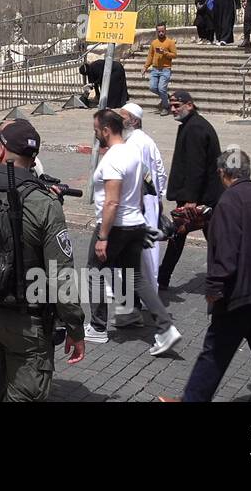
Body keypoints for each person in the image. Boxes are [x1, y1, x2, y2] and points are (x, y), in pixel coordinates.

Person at [0, 119, 86, 401]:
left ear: (0, 151)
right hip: (26, 322)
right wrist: (74, 326)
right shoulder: (43, 204)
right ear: (34, 158)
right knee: (23, 395)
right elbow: (61, 276)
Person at [177, 147, 251, 403]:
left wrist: (214, 289)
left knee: (214, 353)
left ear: (223, 173)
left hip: (238, 294)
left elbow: (225, 252)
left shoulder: (228, 201)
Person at [84, 109, 180, 354]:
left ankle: (96, 326)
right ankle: (165, 327)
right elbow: (139, 189)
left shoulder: (114, 158)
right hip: (135, 223)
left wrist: (103, 237)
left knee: (95, 271)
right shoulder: (133, 151)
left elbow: (112, 202)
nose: (95, 135)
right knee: (135, 277)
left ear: (106, 130)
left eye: (96, 130)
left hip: (116, 226)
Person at [159, 90, 222, 291]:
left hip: (199, 197)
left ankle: (163, 277)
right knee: (210, 239)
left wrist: (191, 200)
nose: (173, 109)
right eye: (171, 105)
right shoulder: (192, 125)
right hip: (199, 196)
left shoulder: (195, 128)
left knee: (181, 234)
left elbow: (197, 167)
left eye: (177, 105)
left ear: (190, 105)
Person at [119, 104, 168, 307]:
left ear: (135, 121)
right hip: (149, 202)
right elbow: (161, 171)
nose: (119, 120)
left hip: (137, 203)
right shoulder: (146, 141)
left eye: (123, 117)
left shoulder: (133, 142)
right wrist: (159, 198)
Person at [142, 22, 177, 115]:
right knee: (152, 87)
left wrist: (165, 53)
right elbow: (150, 56)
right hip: (155, 69)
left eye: (162, 31)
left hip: (165, 69)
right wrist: (145, 67)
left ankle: (166, 107)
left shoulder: (170, 42)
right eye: (159, 31)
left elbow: (174, 55)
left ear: (165, 31)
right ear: (156, 31)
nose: (161, 33)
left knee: (161, 89)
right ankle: (165, 96)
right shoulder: (154, 43)